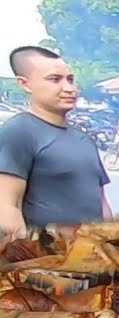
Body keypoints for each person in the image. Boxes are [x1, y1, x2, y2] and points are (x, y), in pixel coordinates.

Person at [0, 46, 110, 233]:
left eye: (70, 79)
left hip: (91, 254)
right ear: (25, 84)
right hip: (48, 257)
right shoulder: (18, 132)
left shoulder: (83, 139)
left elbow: (101, 203)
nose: (69, 88)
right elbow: (6, 205)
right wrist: (26, 256)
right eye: (54, 80)